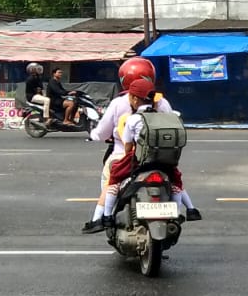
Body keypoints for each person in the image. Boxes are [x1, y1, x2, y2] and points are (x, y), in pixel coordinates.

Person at [85, 57, 200, 232]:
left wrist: (94, 135)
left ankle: (102, 218)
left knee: (112, 181)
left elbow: (104, 134)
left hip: (129, 156)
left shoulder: (120, 106)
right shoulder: (162, 103)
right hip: (163, 158)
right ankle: (188, 211)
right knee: (177, 181)